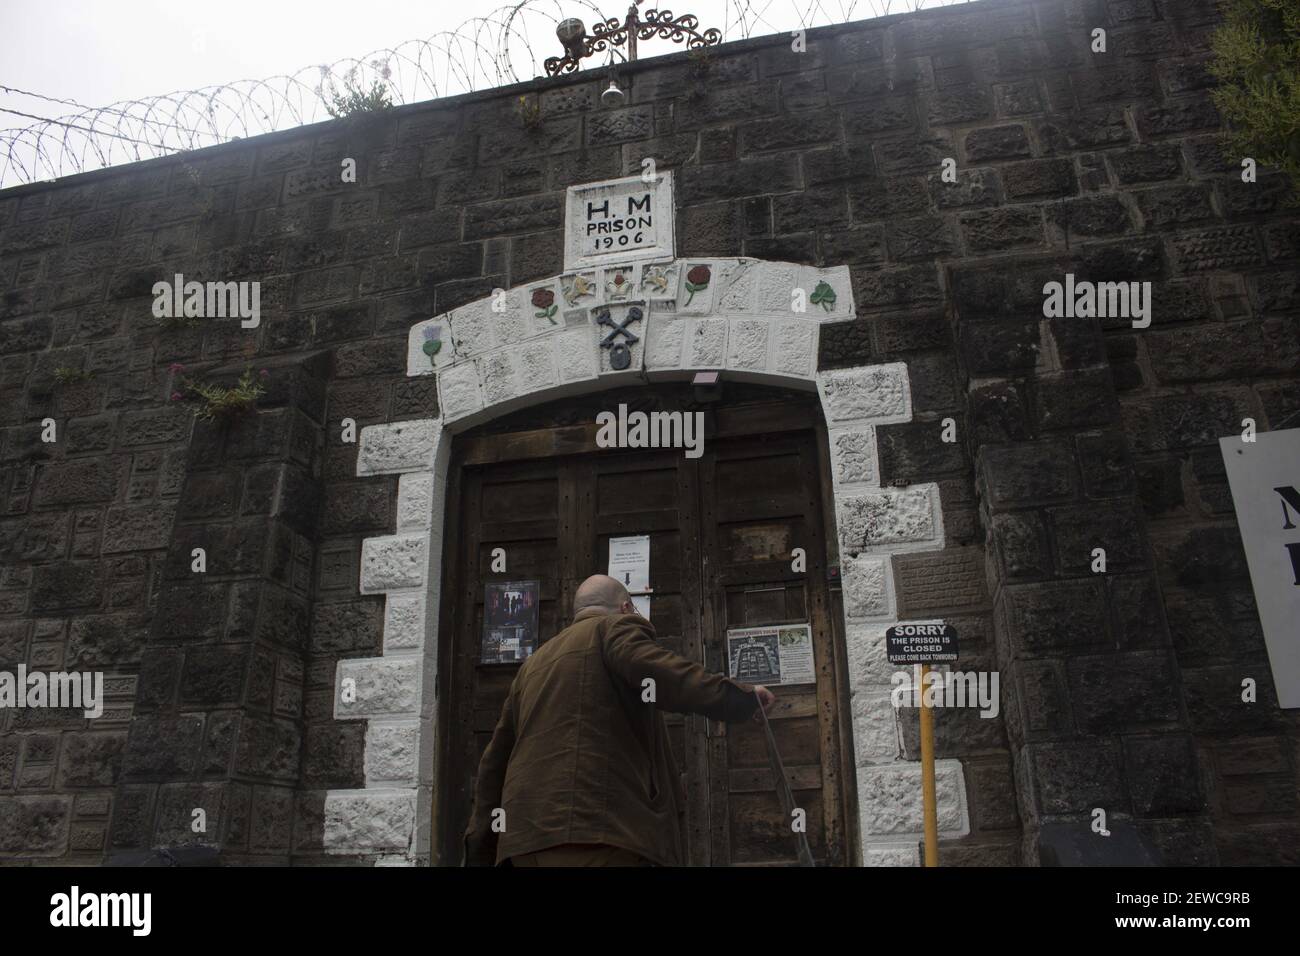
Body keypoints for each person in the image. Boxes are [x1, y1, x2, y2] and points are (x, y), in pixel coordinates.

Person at [462, 573, 775, 867]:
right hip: (599, 834)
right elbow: (663, 674)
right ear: (626, 608)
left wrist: (481, 850)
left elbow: (494, 765)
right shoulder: (613, 628)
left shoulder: (532, 667)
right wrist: (740, 699)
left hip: (526, 843)